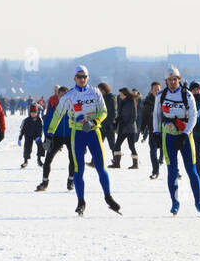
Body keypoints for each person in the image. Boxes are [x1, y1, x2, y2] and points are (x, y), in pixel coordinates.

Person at [46, 66, 121, 216]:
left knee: (101, 167)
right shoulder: (69, 96)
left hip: (94, 133)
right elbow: (58, 114)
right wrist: (50, 133)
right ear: (74, 78)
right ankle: (81, 202)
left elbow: (104, 111)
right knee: (79, 169)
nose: (82, 79)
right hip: (78, 134)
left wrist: (94, 121)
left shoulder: (95, 92)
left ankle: (108, 197)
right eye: (79, 77)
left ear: (88, 77)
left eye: (84, 77)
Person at [154, 67, 200, 216]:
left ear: (179, 79)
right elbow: (156, 116)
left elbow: (193, 117)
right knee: (172, 171)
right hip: (168, 136)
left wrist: (185, 134)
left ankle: (198, 203)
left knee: (191, 170)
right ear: (166, 81)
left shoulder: (187, 94)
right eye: (169, 80)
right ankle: (175, 202)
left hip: (185, 136)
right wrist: (156, 132)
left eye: (174, 79)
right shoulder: (161, 95)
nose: (172, 82)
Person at [35, 86, 75, 191]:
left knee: (73, 159)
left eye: (65, 95)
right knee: (48, 160)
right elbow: (47, 123)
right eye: (60, 95)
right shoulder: (54, 108)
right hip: (56, 136)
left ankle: (70, 181)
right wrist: (48, 135)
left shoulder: (73, 107)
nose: (63, 97)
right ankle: (44, 182)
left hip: (71, 136)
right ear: (58, 96)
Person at [111, 87, 139, 169]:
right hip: (123, 128)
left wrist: (127, 124)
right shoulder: (123, 102)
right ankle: (117, 163)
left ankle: (135, 164)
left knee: (131, 146)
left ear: (125, 94)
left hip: (130, 129)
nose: (120, 96)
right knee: (117, 145)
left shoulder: (131, 102)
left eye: (121, 94)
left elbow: (134, 116)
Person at [140, 81, 162, 178]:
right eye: (155, 89)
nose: (157, 91)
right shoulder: (148, 102)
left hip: (164, 130)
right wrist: (142, 128)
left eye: (158, 89)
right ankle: (155, 171)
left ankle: (175, 171)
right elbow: (144, 116)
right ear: (151, 90)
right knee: (153, 151)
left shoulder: (165, 100)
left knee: (168, 152)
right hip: (153, 131)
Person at [17, 102, 44, 168]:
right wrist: (20, 138)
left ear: (37, 113)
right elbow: (22, 130)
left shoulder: (39, 120)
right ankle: (25, 161)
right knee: (27, 147)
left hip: (36, 135)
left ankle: (39, 159)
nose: (33, 114)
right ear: (29, 113)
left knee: (40, 145)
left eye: (34, 112)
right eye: (31, 112)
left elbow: (41, 129)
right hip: (28, 135)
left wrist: (39, 137)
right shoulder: (26, 120)